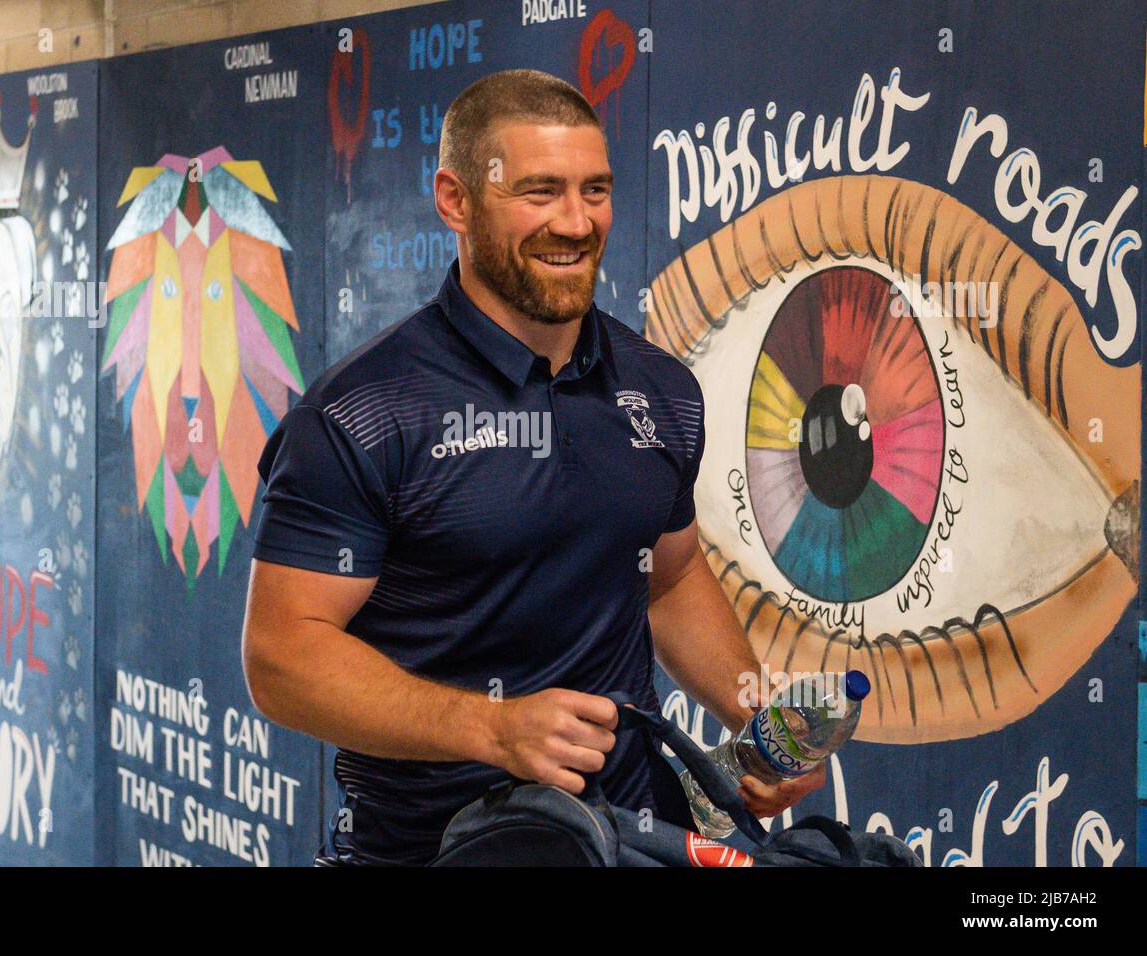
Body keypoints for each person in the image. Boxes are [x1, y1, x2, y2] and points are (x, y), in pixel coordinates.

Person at [241, 68, 825, 865]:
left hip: (625, 842)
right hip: (426, 852)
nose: (576, 223)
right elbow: (282, 658)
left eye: (596, 190)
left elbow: (672, 576)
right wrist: (491, 728)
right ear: (455, 200)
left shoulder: (658, 388)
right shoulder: (361, 414)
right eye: (540, 192)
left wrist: (750, 716)